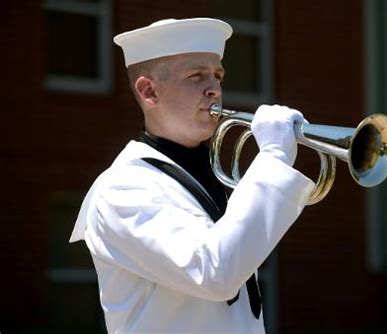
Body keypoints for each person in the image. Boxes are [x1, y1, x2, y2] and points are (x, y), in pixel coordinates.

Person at [70, 17, 315, 333]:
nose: (214, 89)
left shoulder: (207, 173)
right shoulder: (123, 188)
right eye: (196, 76)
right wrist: (274, 157)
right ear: (149, 91)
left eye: (217, 76)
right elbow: (215, 272)